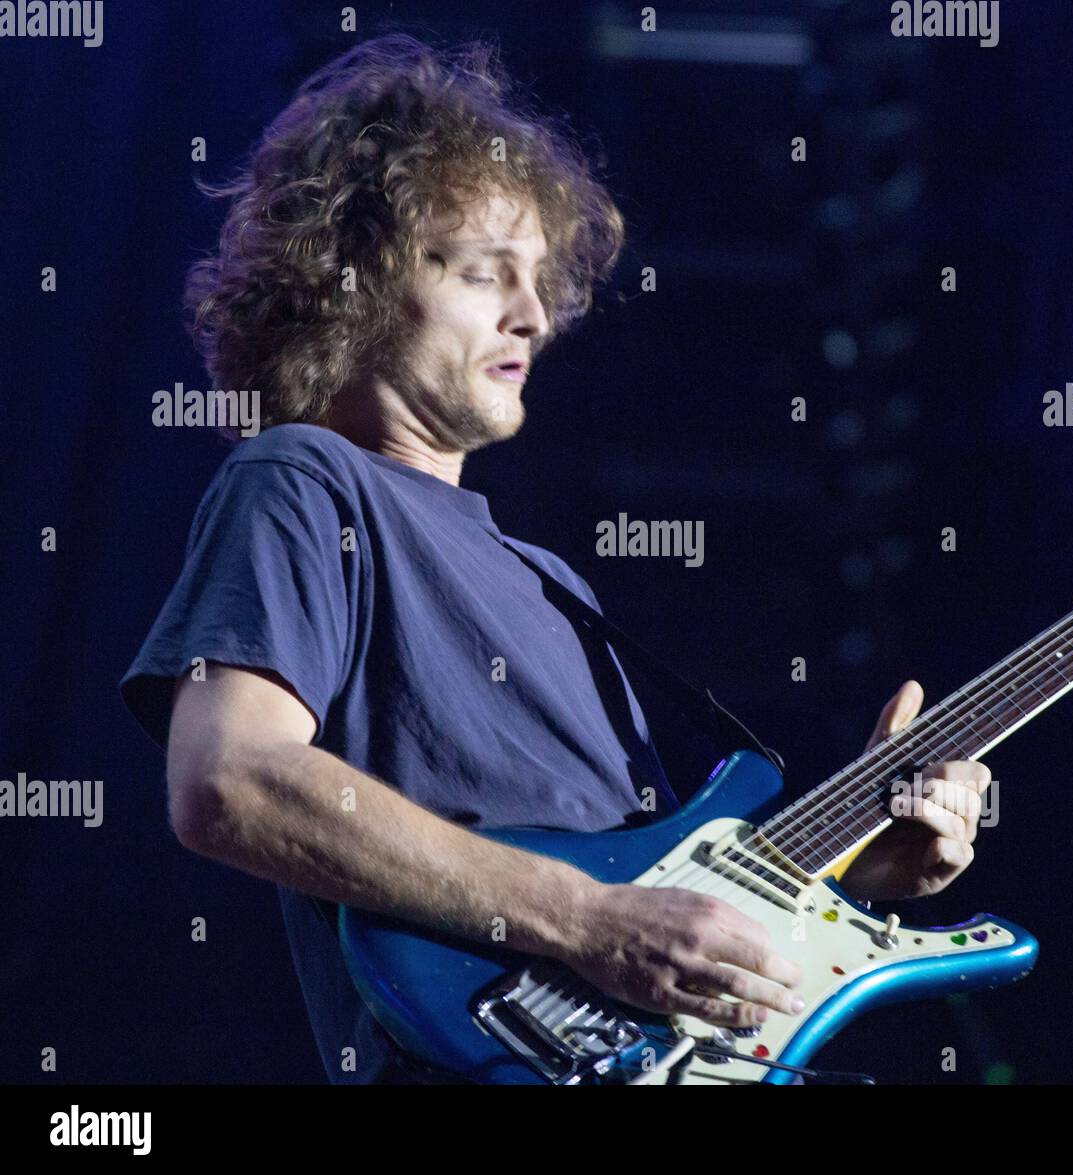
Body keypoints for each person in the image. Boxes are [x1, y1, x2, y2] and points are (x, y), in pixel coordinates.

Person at [120, 34, 991, 1085]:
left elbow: (659, 903)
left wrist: (858, 865)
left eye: (538, 282)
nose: (533, 315)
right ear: (349, 281)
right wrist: (587, 919)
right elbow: (228, 778)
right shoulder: (303, 480)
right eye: (487, 272)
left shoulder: (554, 584)